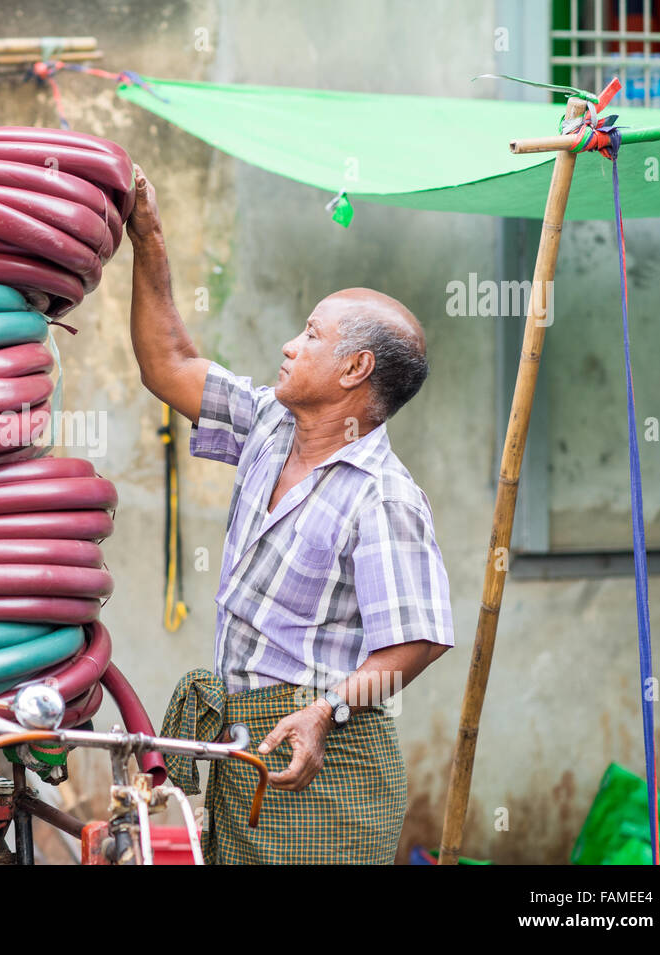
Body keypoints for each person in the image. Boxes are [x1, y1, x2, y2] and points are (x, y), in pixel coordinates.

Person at [126, 163, 455, 864]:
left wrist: (325, 709)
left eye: (311, 334)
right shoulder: (270, 426)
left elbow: (417, 642)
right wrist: (148, 237)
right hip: (250, 751)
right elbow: (168, 364)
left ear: (353, 369)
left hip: (329, 766)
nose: (289, 344)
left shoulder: (383, 496)